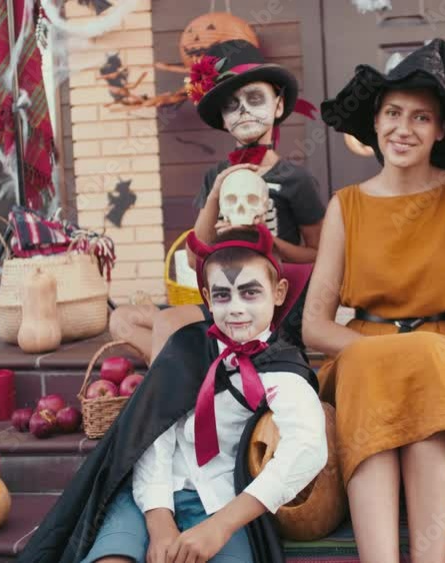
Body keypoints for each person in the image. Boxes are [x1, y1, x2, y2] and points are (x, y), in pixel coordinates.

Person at [18, 225, 328, 563]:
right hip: (148, 494)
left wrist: (222, 526)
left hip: (223, 504)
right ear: (208, 298)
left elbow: (308, 446)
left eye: (250, 293)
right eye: (223, 295)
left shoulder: (282, 369)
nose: (236, 308)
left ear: (279, 292)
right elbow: (152, 434)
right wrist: (159, 519)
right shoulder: (186, 348)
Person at [303, 39, 445, 562]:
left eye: (420, 117)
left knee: (426, 360)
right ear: (375, 123)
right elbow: (315, 326)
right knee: (376, 364)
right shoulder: (346, 207)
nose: (403, 129)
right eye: (392, 113)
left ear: (439, 131)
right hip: (364, 350)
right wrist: (376, 350)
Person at [109, 39, 324, 363]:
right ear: (223, 118)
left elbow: (319, 257)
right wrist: (214, 195)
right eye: (232, 105)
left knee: (168, 324)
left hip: (273, 310)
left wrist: (274, 244)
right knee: (122, 320)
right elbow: (195, 260)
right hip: (221, 299)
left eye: (255, 99)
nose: (244, 111)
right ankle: (190, 378)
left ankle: (175, 394)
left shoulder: (296, 180)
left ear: (278, 106)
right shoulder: (216, 177)